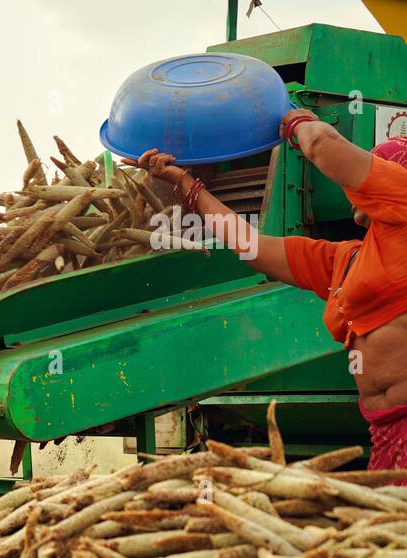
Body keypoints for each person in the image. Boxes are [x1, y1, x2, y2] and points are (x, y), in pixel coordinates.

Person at [129, 109, 407, 477]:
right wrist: (187, 185)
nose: (356, 185)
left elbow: (323, 143)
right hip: (384, 432)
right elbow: (252, 248)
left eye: (371, 171)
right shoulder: (348, 259)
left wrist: (294, 121)